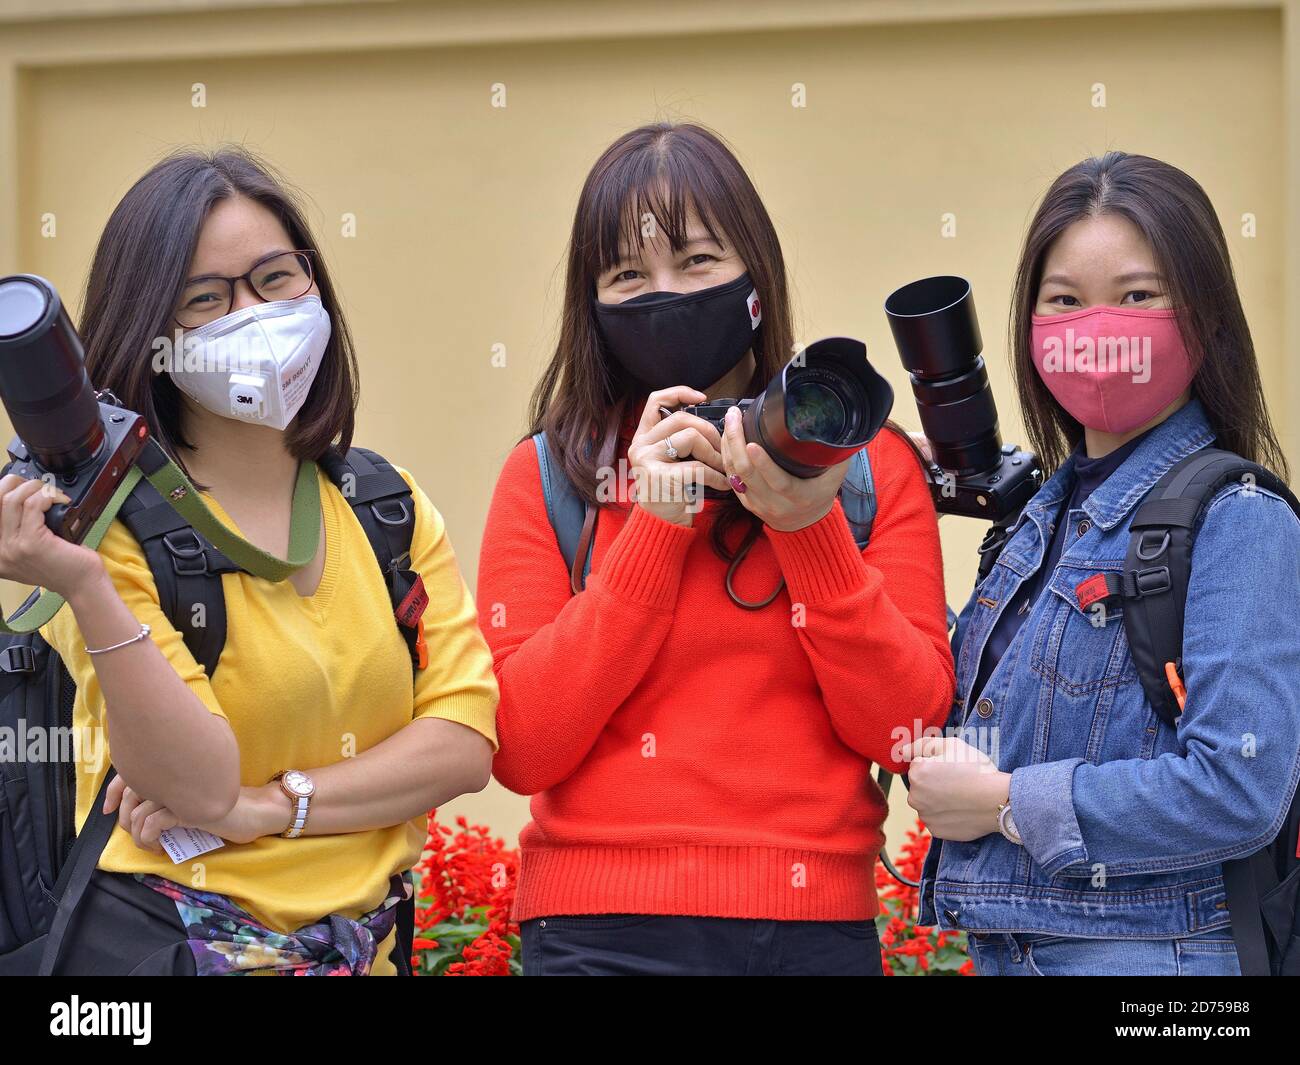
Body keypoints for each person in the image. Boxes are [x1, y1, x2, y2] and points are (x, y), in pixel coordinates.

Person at [0, 147, 498, 975]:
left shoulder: (386, 505)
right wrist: (83, 582)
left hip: (367, 949)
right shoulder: (109, 532)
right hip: (161, 954)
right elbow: (196, 785)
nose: (255, 314)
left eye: (275, 278)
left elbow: (464, 741)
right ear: (150, 331)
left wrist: (271, 806)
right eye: (206, 297)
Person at [477, 123, 955, 976]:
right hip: (597, 933)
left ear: (756, 279)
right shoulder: (552, 472)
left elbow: (907, 730)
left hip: (812, 930)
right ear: (592, 304)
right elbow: (521, 744)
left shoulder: (868, 466)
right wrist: (654, 528)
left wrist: (808, 529)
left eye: (698, 262)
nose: (665, 293)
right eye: (628, 274)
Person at [907, 151, 1300, 976]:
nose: (1098, 327)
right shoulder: (1039, 521)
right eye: (1064, 300)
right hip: (1017, 951)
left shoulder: (1240, 520)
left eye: (1137, 295)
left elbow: (1240, 785)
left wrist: (1010, 805)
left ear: (1206, 317)